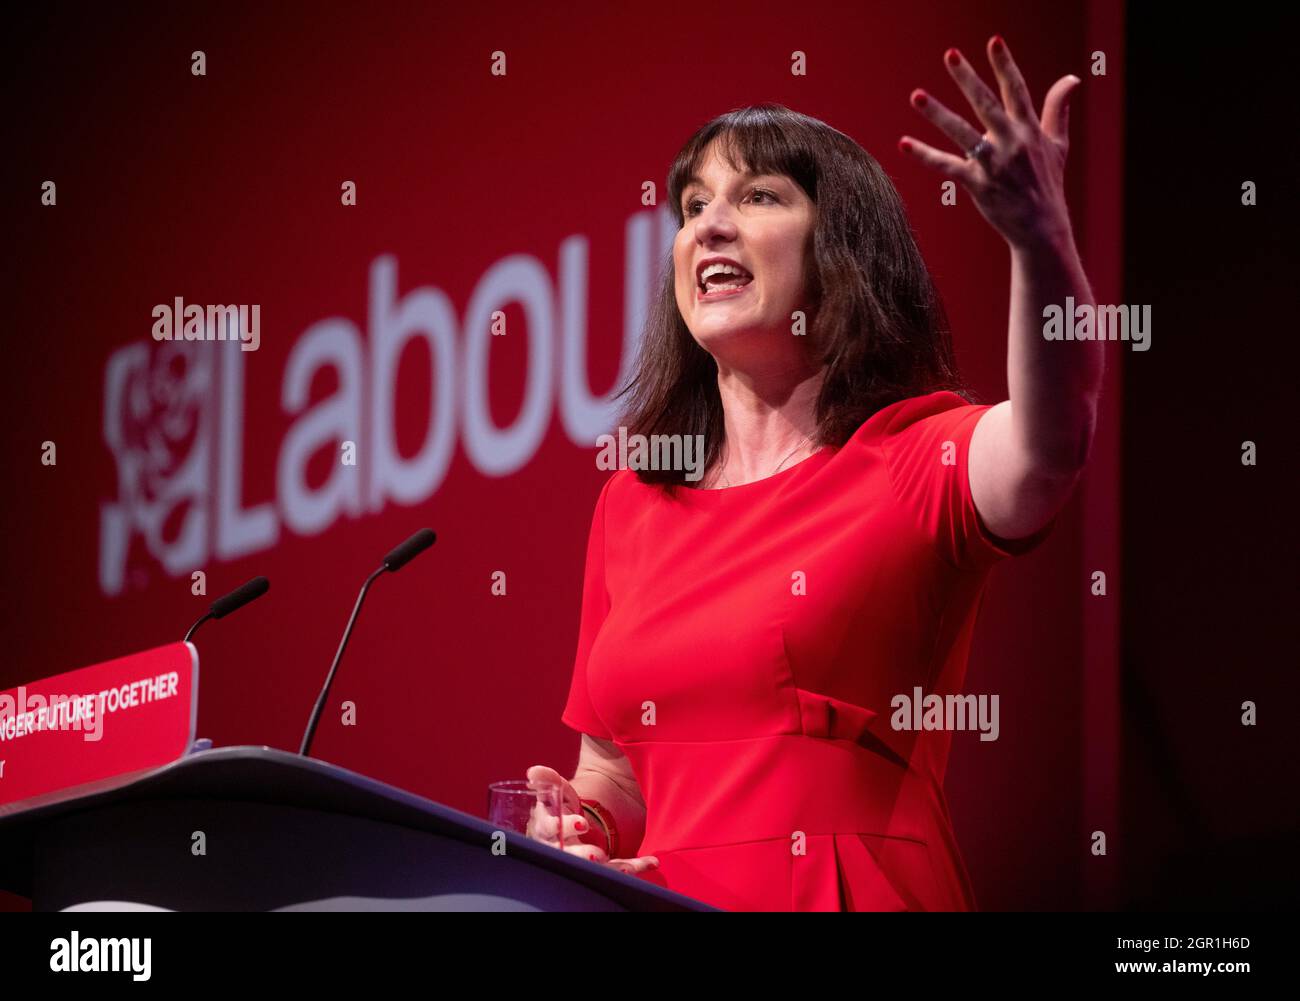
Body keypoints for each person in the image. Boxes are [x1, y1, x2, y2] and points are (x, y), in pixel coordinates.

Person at [528, 36, 1102, 910]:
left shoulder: (913, 456)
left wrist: (1041, 239)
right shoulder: (632, 504)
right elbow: (614, 772)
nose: (708, 224)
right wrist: (581, 830)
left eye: (757, 196)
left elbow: (1051, 444)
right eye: (692, 204)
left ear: (843, 253)